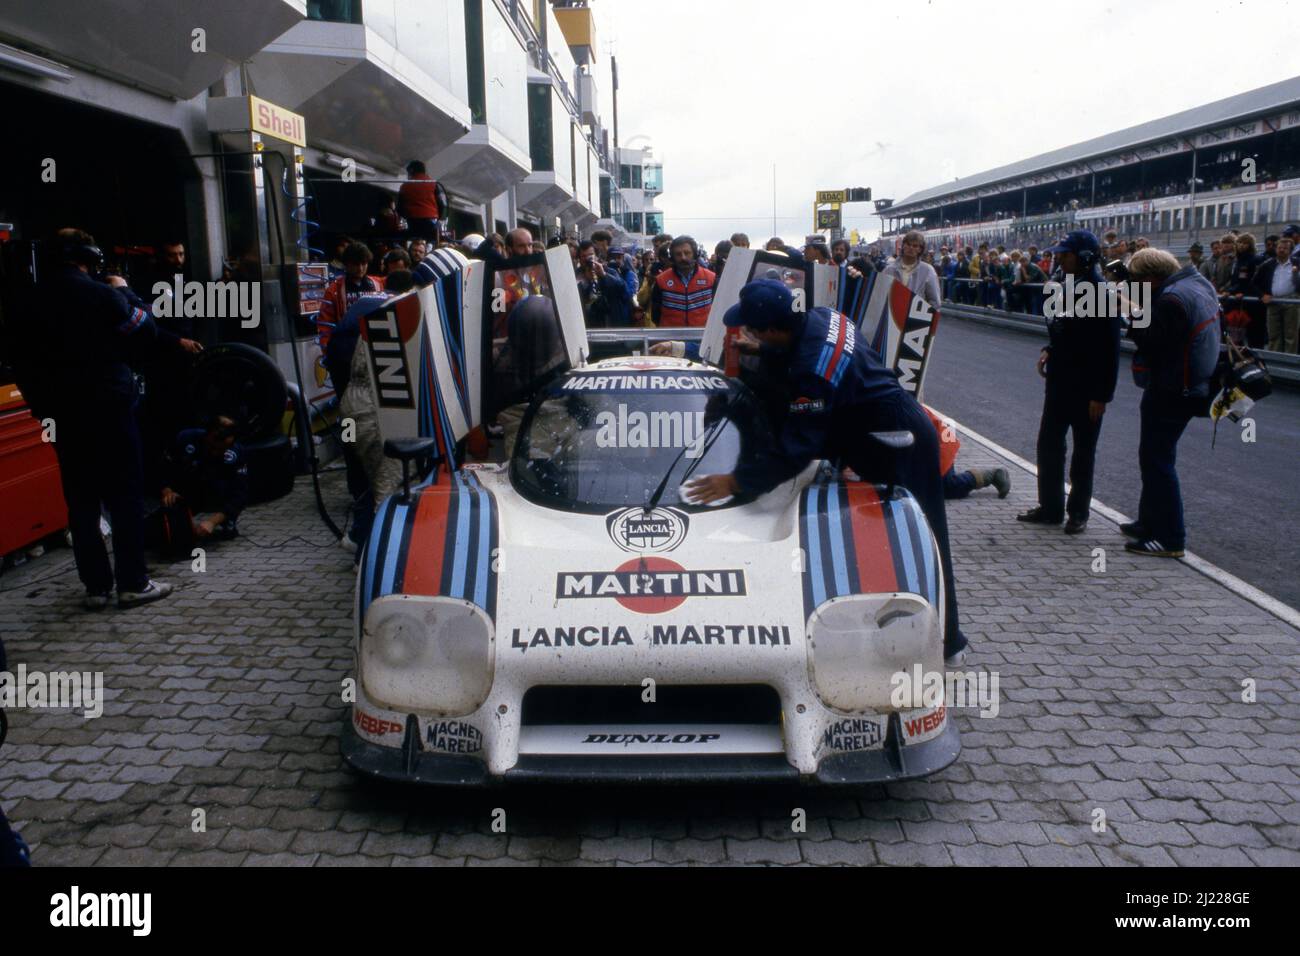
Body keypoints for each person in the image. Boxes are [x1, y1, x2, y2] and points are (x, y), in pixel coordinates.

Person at [683, 279, 970, 665]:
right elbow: (805, 351)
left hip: (899, 440)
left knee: (927, 541)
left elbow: (798, 448)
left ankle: (949, 643)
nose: (748, 334)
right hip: (873, 423)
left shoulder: (813, 371)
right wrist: (764, 351)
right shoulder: (821, 316)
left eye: (753, 330)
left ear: (772, 328)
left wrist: (737, 481)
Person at [23, 229, 174, 608]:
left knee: (81, 502)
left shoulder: (27, 301)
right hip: (109, 411)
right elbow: (146, 330)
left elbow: (24, 364)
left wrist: (43, 408)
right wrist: (124, 290)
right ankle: (133, 583)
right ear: (89, 256)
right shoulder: (102, 294)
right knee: (124, 496)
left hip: (61, 417)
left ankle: (95, 588)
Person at [1018, 230, 1120, 536]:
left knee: (1083, 452)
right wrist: (1050, 349)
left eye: (1067, 253)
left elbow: (1109, 350)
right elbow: (1062, 330)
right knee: (1048, 445)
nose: (1060, 257)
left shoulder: (1104, 295)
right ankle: (1050, 509)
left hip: (1088, 388)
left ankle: (1078, 513)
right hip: (1059, 384)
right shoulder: (1063, 287)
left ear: (1086, 257)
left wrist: (1101, 395)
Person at [1124, 248, 1222, 558]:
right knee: (1155, 456)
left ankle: (1170, 538)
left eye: (1138, 280)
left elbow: (1153, 342)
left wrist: (1133, 309)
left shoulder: (1170, 300)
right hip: (1193, 383)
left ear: (1151, 279)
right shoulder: (1197, 284)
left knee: (1157, 460)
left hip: (1172, 389)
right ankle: (1150, 522)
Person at [159, 414, 250, 545]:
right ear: (207, 434)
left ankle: (226, 520)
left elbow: (241, 495)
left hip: (215, 489)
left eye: (221, 449)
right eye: (212, 447)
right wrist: (167, 490)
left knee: (228, 529)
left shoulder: (237, 454)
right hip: (189, 485)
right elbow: (163, 468)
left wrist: (212, 521)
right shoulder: (186, 439)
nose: (215, 453)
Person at [317, 241, 381, 357]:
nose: (360, 268)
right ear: (347, 264)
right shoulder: (334, 290)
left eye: (364, 264)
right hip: (346, 347)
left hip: (373, 344)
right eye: (356, 264)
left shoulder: (378, 284)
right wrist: (327, 349)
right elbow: (325, 323)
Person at [651, 237, 716, 328]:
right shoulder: (661, 280)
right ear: (672, 257)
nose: (683, 258)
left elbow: (717, 310)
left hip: (702, 336)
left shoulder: (711, 278)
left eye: (687, 253)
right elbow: (655, 314)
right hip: (671, 337)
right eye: (678, 254)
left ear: (695, 254)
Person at [1255, 235, 1299, 354]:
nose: (1281, 250)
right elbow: (1254, 283)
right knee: (1274, 334)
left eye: (1285, 248)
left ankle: (1289, 362)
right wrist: (1262, 295)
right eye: (1279, 247)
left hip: (1291, 302)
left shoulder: (1297, 263)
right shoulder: (1268, 264)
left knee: (1291, 335)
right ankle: (1273, 361)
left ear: (1290, 250)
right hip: (1273, 302)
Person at [577, 240, 632, 328]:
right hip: (585, 325)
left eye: (590, 255)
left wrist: (604, 275)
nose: (587, 259)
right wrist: (586, 281)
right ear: (579, 259)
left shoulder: (609, 271)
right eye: (583, 256)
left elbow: (625, 292)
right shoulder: (576, 275)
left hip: (609, 324)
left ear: (596, 256)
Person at [883, 230, 941, 311]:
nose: (911, 248)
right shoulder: (889, 270)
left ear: (920, 249)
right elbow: (881, 296)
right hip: (892, 317)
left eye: (915, 246)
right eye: (908, 244)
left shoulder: (928, 271)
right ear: (903, 246)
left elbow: (935, 302)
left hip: (916, 319)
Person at [398, 160, 446, 242]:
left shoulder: (405, 186)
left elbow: (399, 207)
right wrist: (439, 218)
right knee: (431, 241)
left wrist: (406, 216)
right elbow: (440, 204)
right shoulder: (432, 183)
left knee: (415, 241)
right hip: (431, 219)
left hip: (413, 221)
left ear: (411, 171)